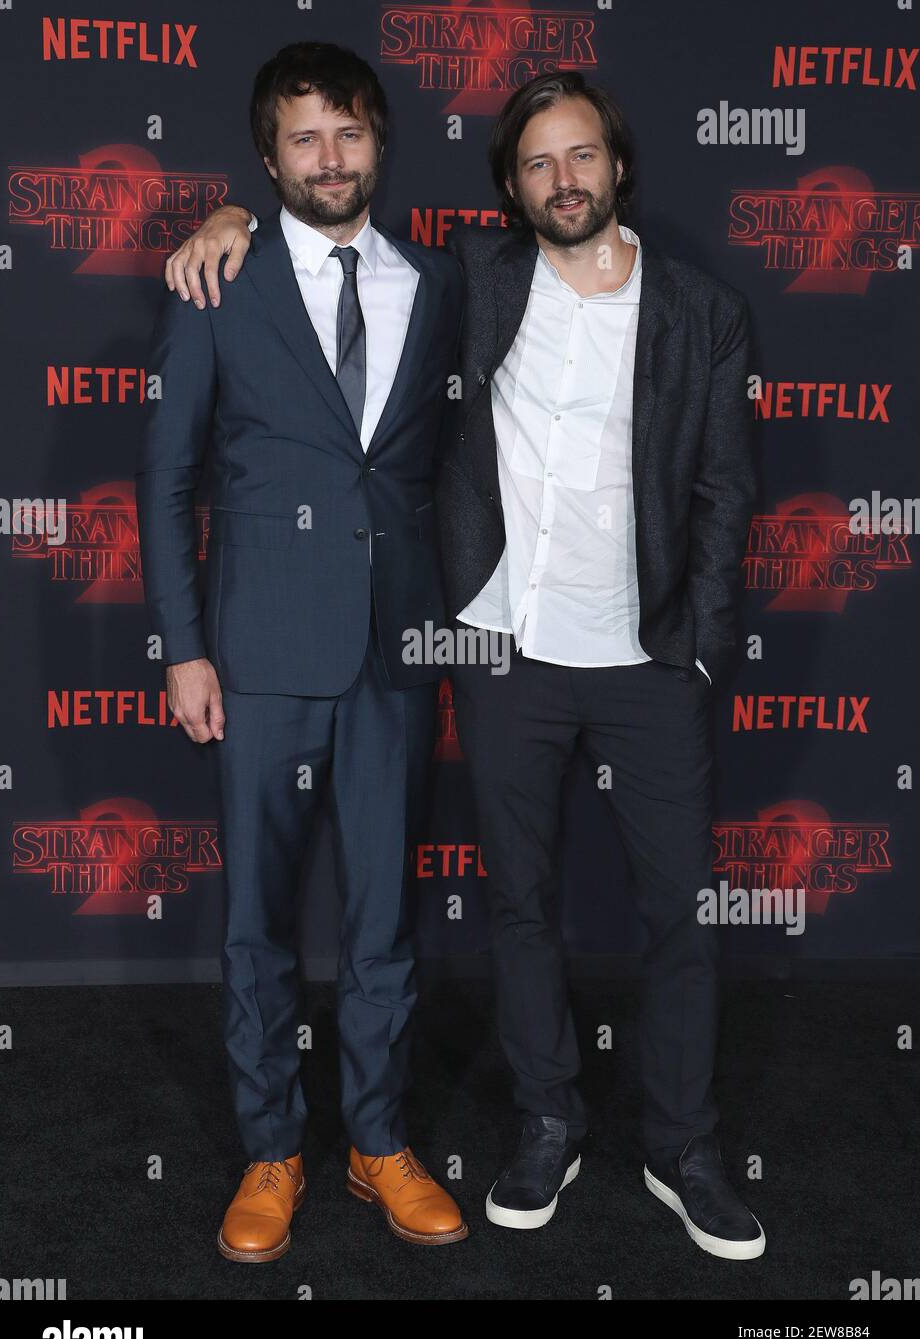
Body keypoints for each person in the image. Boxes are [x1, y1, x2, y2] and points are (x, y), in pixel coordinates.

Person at [165, 70, 765, 1260]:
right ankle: (381, 1141)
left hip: (563, 657)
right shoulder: (427, 283)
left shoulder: (603, 299)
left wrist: (696, 647)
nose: (564, 180)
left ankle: (626, 1146)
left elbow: (724, 488)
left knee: (621, 916)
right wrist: (222, 220)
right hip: (429, 652)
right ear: (509, 186)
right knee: (417, 914)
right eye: (538, 163)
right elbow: (185, 450)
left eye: (581, 157)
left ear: (617, 167)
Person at [136, 40, 468, 1263]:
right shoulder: (217, 281)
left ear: (380, 143)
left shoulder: (441, 283)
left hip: (395, 655)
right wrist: (182, 646)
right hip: (260, 652)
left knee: (383, 920)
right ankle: (271, 1147)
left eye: (348, 133)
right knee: (257, 923)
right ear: (268, 157)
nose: (328, 158)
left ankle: (377, 1141)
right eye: (301, 138)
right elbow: (165, 480)